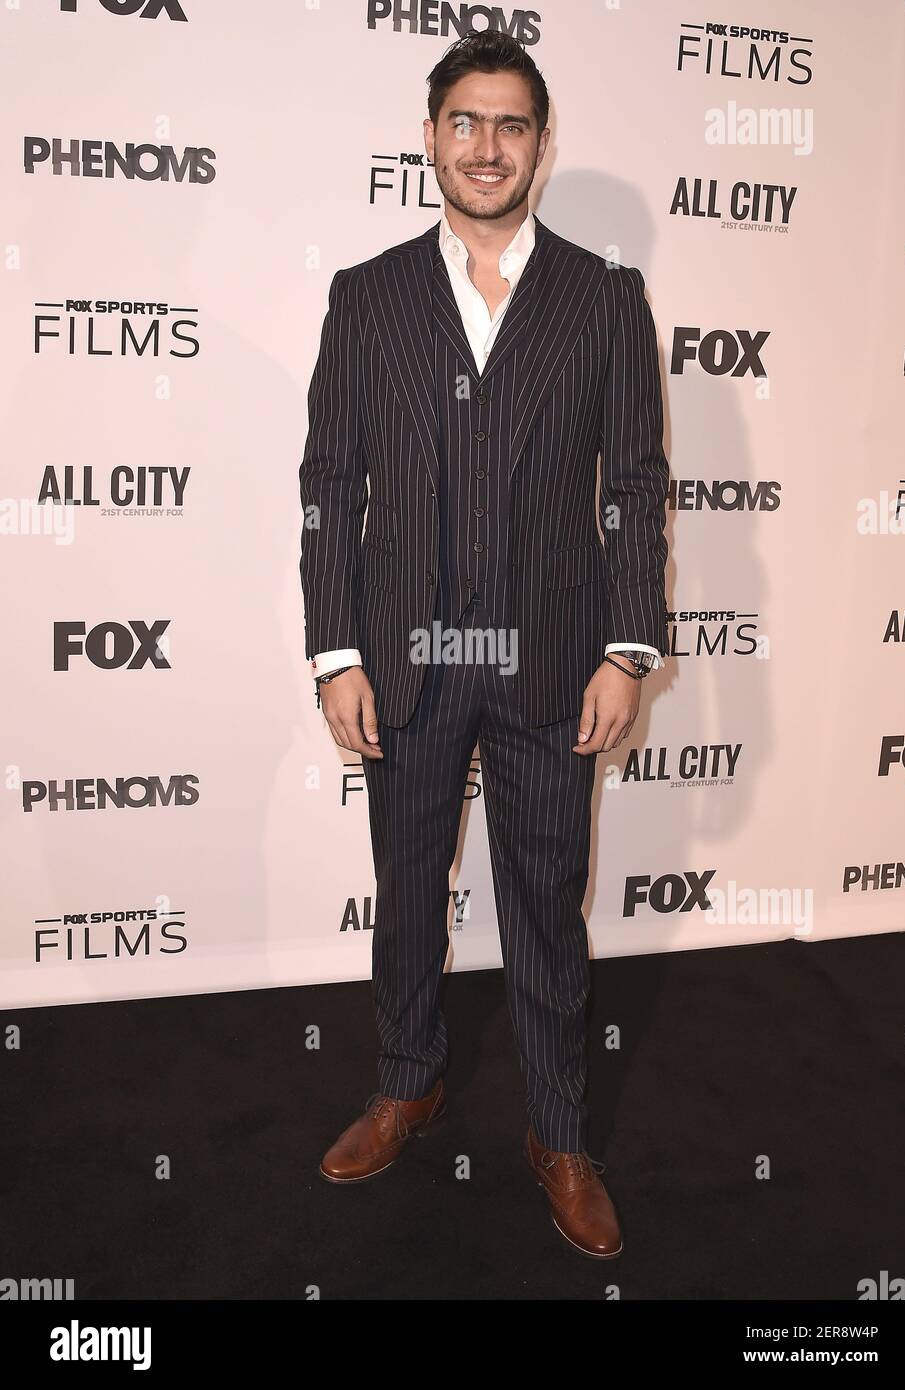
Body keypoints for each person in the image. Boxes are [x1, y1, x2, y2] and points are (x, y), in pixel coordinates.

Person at [298, 29, 669, 1259]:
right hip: (402, 659)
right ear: (430, 139)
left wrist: (626, 649)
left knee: (545, 907)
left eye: (512, 125)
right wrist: (334, 650)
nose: (488, 146)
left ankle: (559, 1131)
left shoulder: (606, 296)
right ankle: (409, 1080)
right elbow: (328, 482)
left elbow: (637, 481)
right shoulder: (368, 294)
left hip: (555, 662)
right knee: (406, 892)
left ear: (541, 143)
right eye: (466, 122)